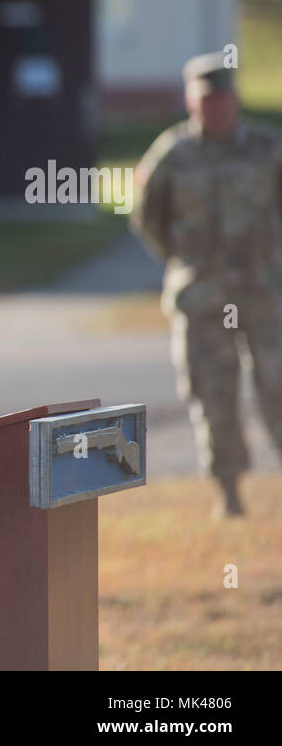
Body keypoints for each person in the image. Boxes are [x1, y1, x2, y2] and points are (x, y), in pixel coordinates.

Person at [132, 52, 282, 518]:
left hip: (263, 291)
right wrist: (186, 263)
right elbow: (147, 216)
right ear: (190, 101)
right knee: (213, 394)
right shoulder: (172, 155)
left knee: (278, 386)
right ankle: (230, 493)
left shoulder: (266, 148)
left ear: (234, 99)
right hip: (202, 296)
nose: (215, 108)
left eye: (222, 99)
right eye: (205, 100)